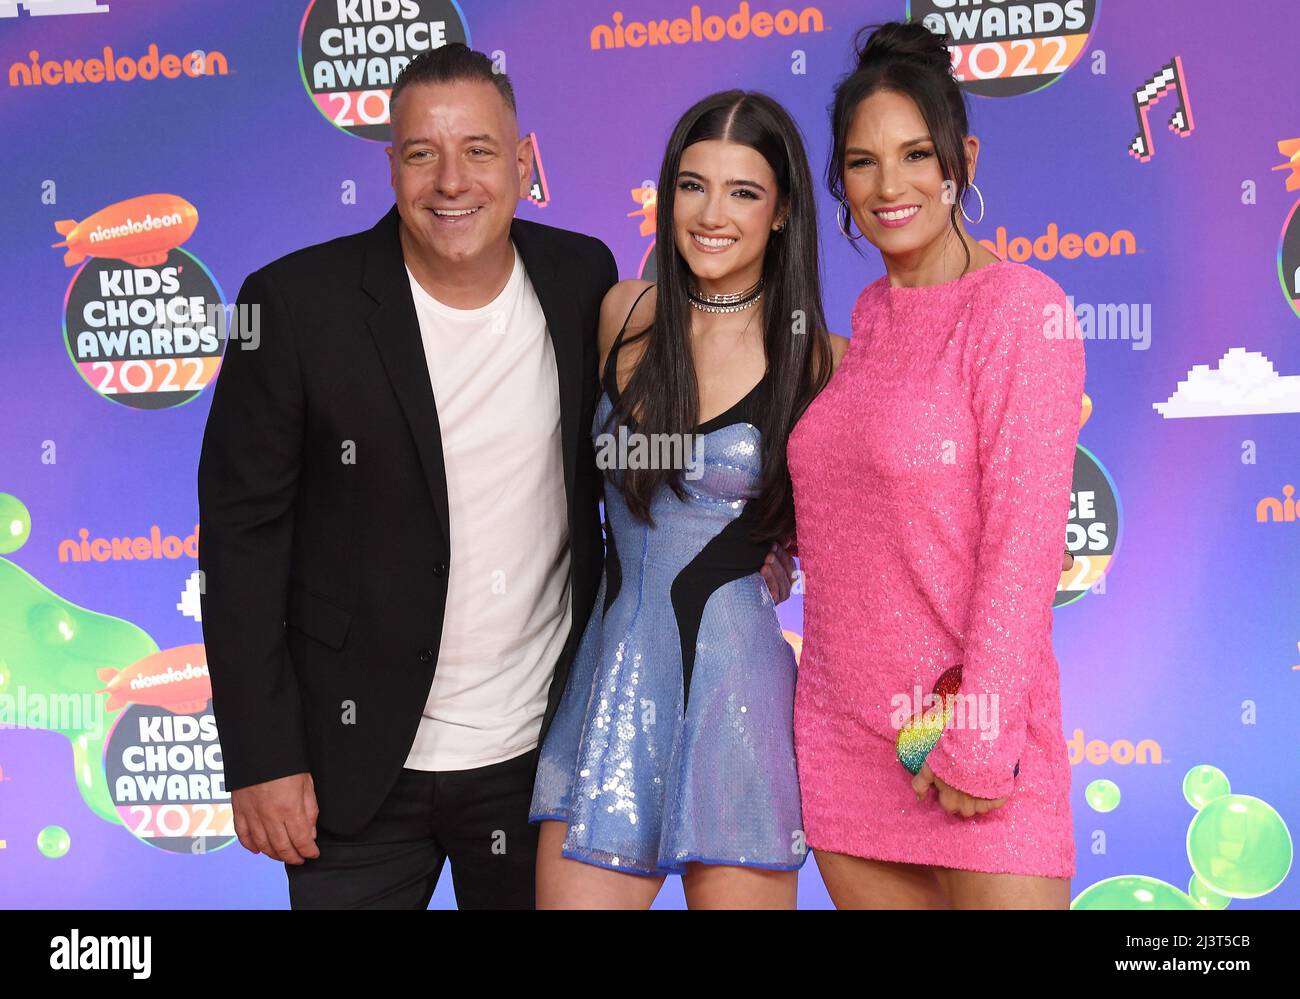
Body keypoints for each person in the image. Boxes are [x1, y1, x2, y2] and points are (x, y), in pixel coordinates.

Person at [197, 43, 796, 910]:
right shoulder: (292, 308)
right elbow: (241, 546)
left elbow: (681, 444)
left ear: (522, 163)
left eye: (479, 151)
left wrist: (757, 542)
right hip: (352, 769)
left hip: (536, 755)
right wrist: (261, 755)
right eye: (421, 154)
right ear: (391, 164)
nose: (452, 181)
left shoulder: (581, 280)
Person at [787, 22, 1085, 909]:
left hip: (978, 743)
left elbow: (1024, 547)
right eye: (862, 161)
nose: (891, 185)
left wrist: (981, 740)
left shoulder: (1021, 310)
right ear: (838, 180)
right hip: (848, 749)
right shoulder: (866, 325)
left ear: (963, 160)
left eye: (917, 154)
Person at [529, 90, 838, 909]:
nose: (712, 213)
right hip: (613, 677)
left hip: (738, 689)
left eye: (744, 191)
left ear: (781, 213)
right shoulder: (622, 315)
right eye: (692, 185)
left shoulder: (821, 360)